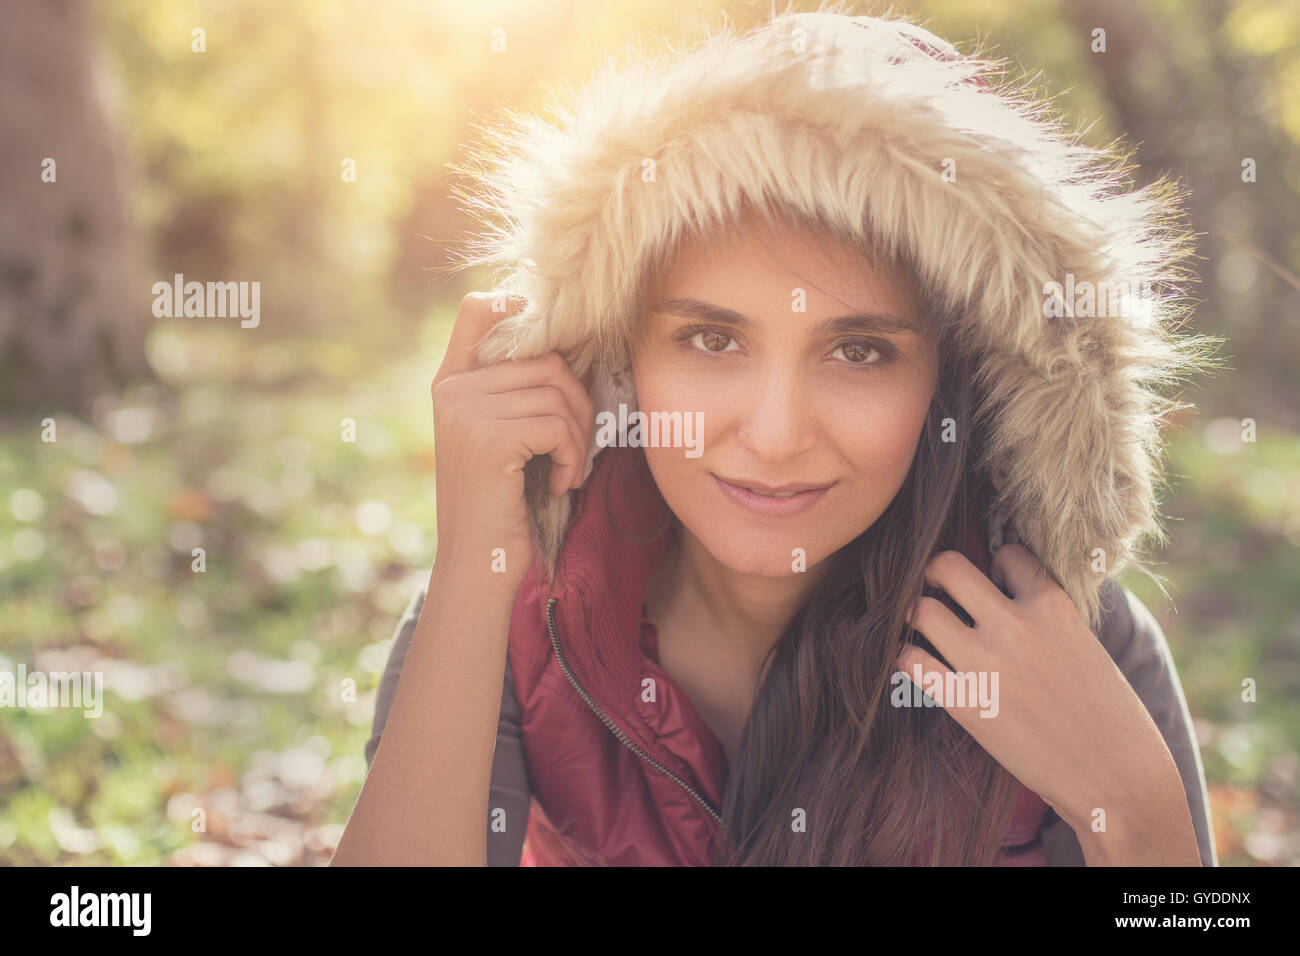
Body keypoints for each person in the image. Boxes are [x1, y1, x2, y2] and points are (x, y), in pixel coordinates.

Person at [332, 4, 1221, 866]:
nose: (775, 433)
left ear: (954, 384)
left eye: (860, 351)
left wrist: (1136, 809)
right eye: (712, 340)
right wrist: (469, 567)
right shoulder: (516, 611)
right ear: (616, 360)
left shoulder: (1071, 642)